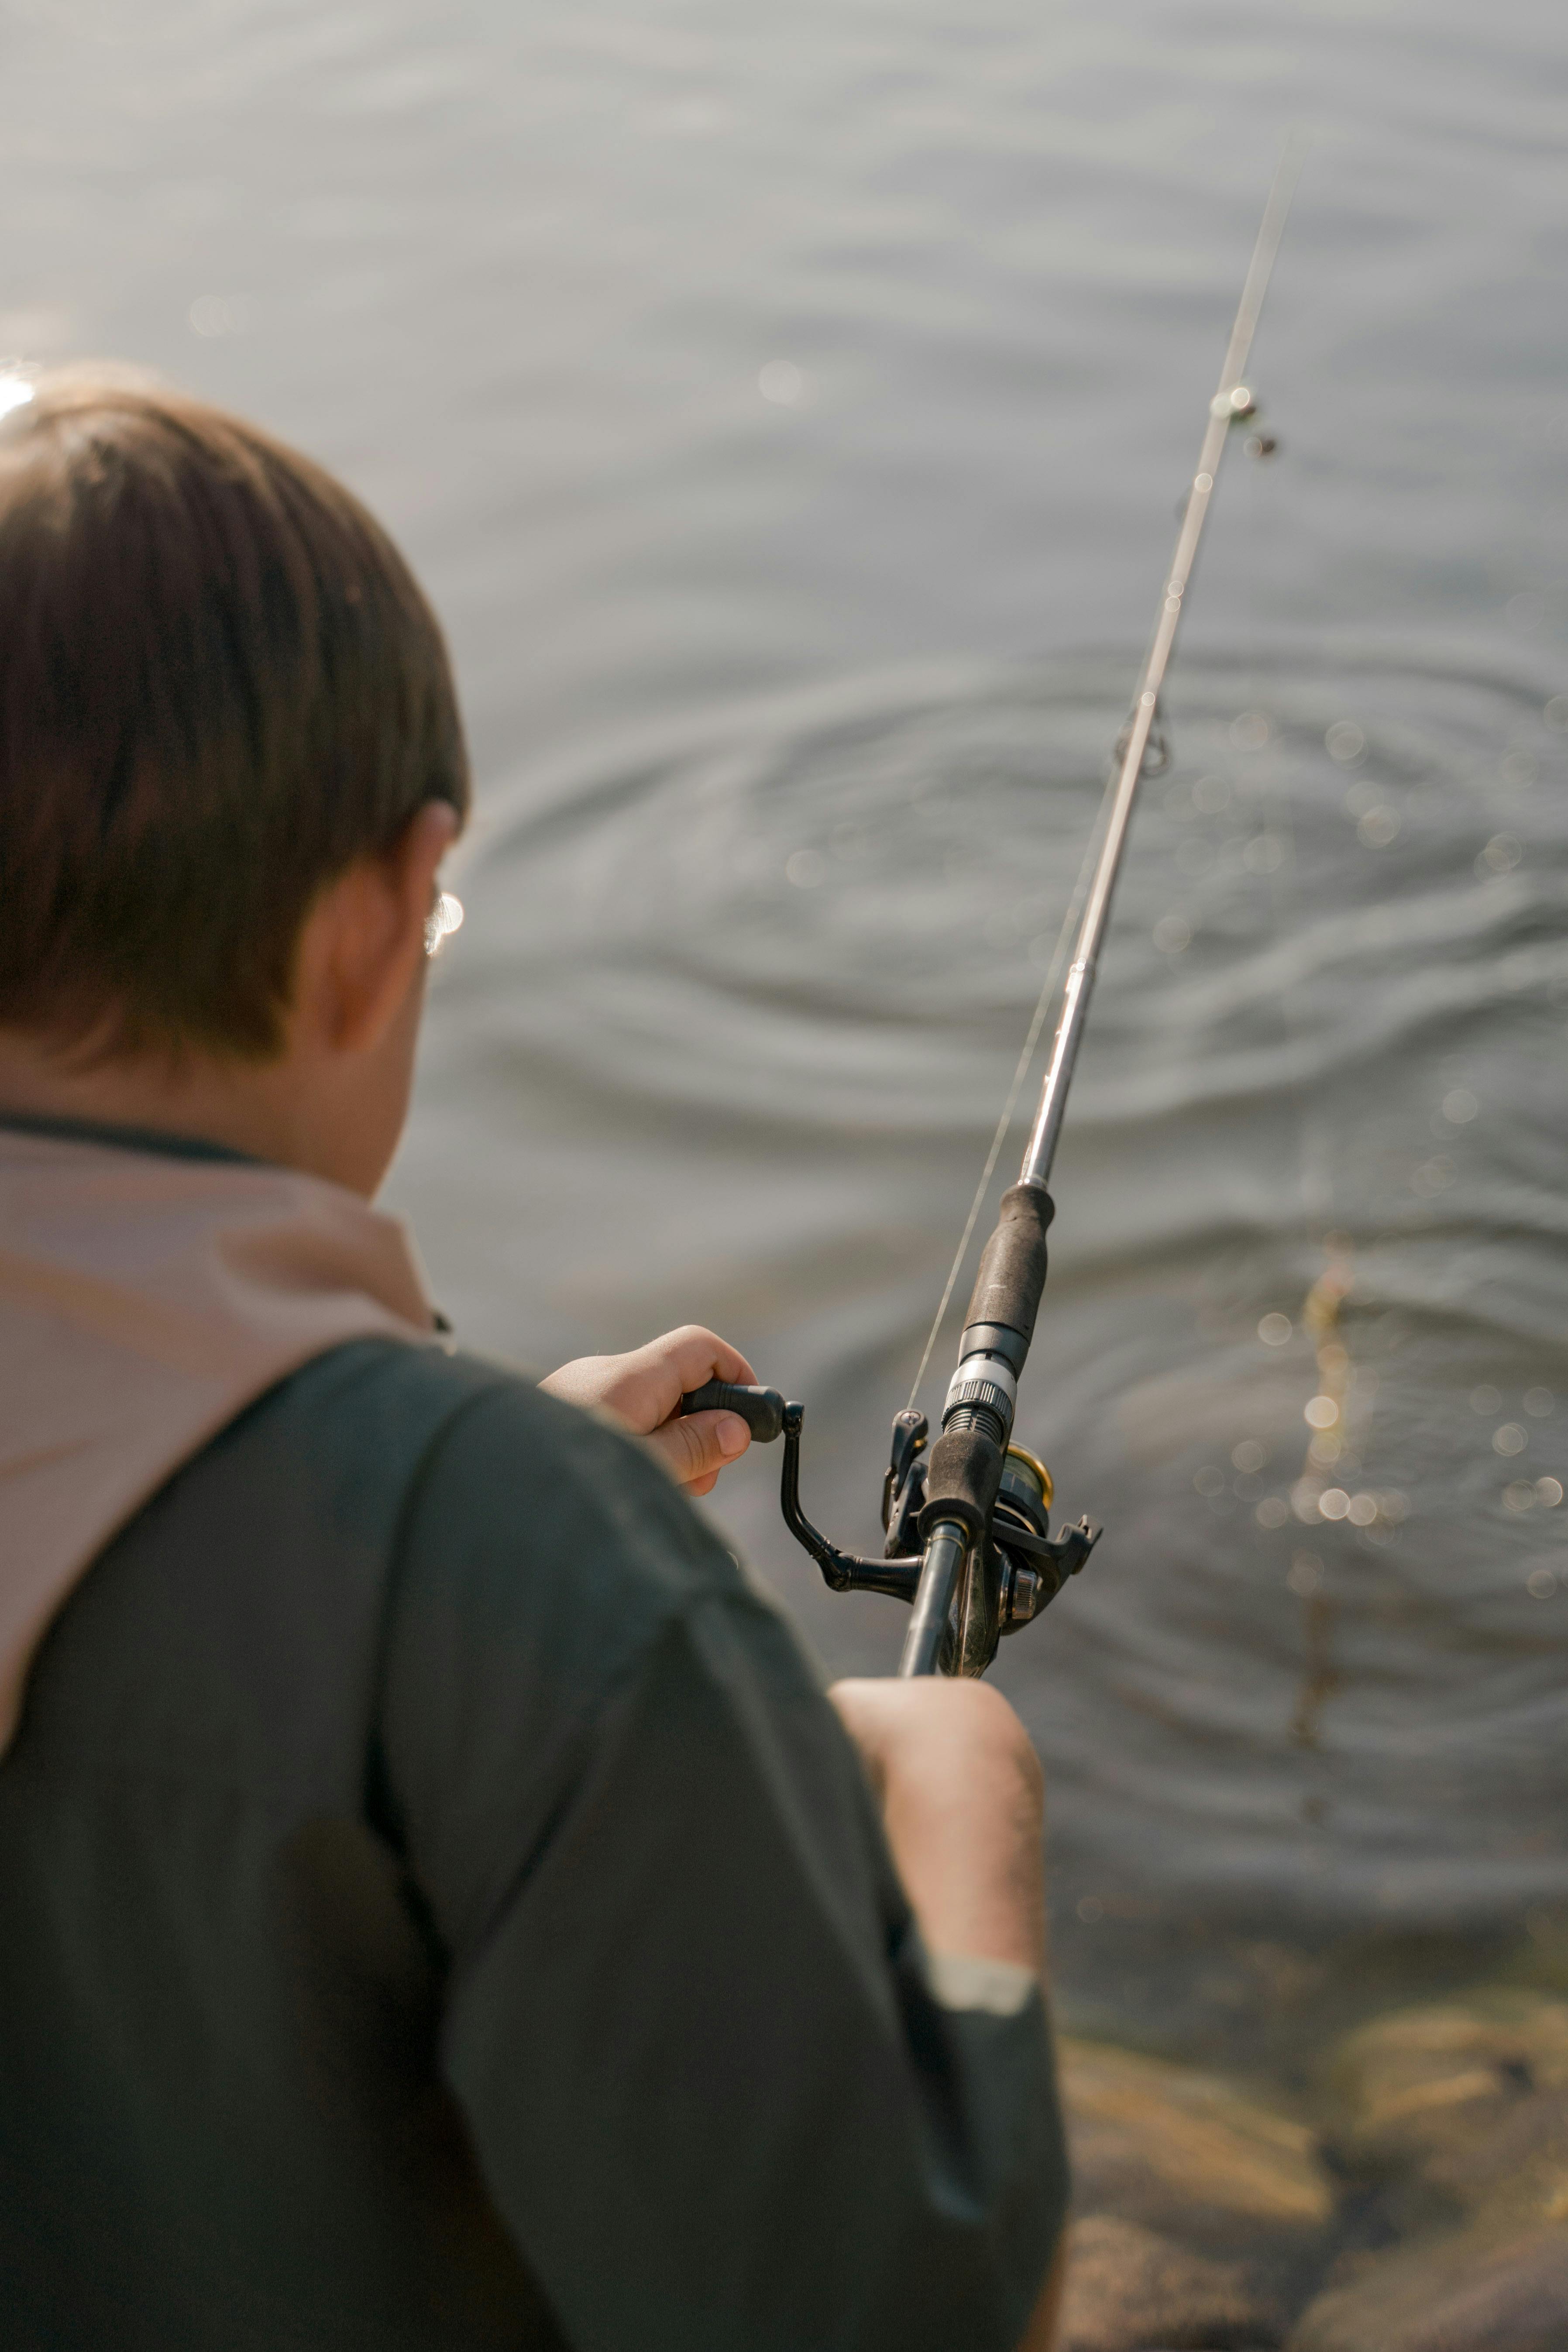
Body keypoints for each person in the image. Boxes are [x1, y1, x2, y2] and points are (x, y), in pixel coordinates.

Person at [0, 366, 1069, 2350]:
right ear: (376, 915)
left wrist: (458, 1466)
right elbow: (891, 2311)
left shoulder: (478, 1535)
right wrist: (960, 1797)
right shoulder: (516, 1577)